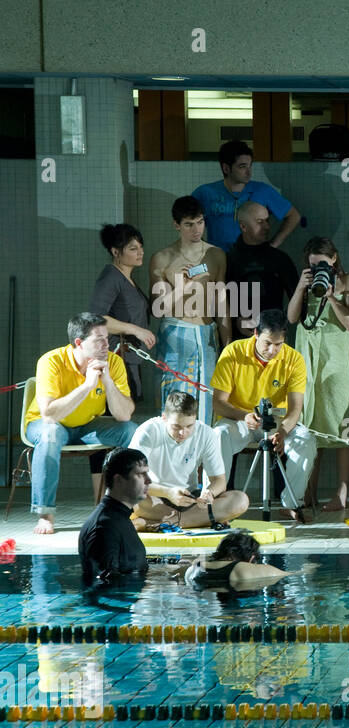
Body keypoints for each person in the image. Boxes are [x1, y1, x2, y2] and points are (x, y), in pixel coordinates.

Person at [26, 314, 138, 535]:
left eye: (107, 338)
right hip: (47, 425)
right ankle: (45, 514)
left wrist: (107, 381)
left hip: (87, 426)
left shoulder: (113, 363)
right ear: (79, 342)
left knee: (131, 431)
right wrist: (87, 385)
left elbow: (124, 415)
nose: (107, 344)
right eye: (99, 339)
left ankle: (127, 506)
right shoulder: (51, 361)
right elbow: (49, 415)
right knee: (50, 435)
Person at [210, 309, 316, 522]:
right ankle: (213, 499)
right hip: (239, 419)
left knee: (306, 440)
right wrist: (244, 416)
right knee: (218, 435)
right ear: (255, 333)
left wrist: (284, 431)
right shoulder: (233, 352)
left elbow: (295, 408)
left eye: (278, 344)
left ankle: (291, 503)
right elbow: (218, 404)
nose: (272, 350)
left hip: (277, 422)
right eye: (267, 342)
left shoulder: (294, 359)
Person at [287, 237, 349, 511]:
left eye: (323, 264)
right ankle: (308, 489)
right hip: (306, 362)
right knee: (307, 427)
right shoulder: (305, 284)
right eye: (314, 265)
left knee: (343, 427)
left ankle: (341, 493)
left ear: (335, 259)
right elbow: (292, 319)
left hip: (335, 363)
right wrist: (300, 288)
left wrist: (330, 294)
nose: (319, 269)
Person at [147, 196, 229, 423]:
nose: (196, 229)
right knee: (175, 399)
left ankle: (200, 457)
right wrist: (184, 287)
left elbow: (221, 302)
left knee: (208, 400)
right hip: (176, 332)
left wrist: (228, 344)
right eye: (189, 224)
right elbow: (157, 308)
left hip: (206, 332)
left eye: (200, 222)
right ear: (176, 225)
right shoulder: (162, 258)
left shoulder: (216, 255)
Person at [129, 391, 249, 530]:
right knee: (130, 494)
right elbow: (132, 479)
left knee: (240, 501)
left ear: (195, 419)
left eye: (189, 426)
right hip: (154, 498)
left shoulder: (206, 433)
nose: (183, 432)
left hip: (190, 500)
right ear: (164, 418)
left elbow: (219, 481)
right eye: (177, 426)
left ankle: (159, 523)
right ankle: (198, 520)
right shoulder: (148, 430)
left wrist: (209, 493)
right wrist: (168, 492)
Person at [191, 139, 300, 253]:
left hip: (254, 259)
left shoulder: (262, 191)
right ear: (226, 168)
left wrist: (272, 246)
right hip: (219, 258)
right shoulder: (205, 193)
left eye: (249, 166)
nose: (248, 172)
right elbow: (184, 221)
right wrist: (199, 248)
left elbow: (293, 216)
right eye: (242, 167)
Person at [90, 223, 156, 402]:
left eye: (141, 247)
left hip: (130, 357)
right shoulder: (111, 277)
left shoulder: (126, 278)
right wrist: (135, 330)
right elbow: (96, 318)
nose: (140, 252)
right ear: (116, 252)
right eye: (133, 248)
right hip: (116, 356)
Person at [224, 202, 300, 338]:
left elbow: (299, 299)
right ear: (243, 226)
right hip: (240, 340)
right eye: (260, 222)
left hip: (274, 338)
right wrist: (236, 321)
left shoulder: (280, 259)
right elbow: (220, 302)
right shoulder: (228, 260)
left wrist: (281, 326)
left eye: (267, 221)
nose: (267, 226)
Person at [79, 447, 150, 586]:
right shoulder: (104, 527)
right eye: (141, 475)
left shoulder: (119, 517)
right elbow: (107, 588)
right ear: (119, 480)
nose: (149, 481)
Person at [180, 530, 303, 591]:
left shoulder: (193, 568)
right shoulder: (243, 569)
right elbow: (289, 575)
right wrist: (308, 569)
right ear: (252, 558)